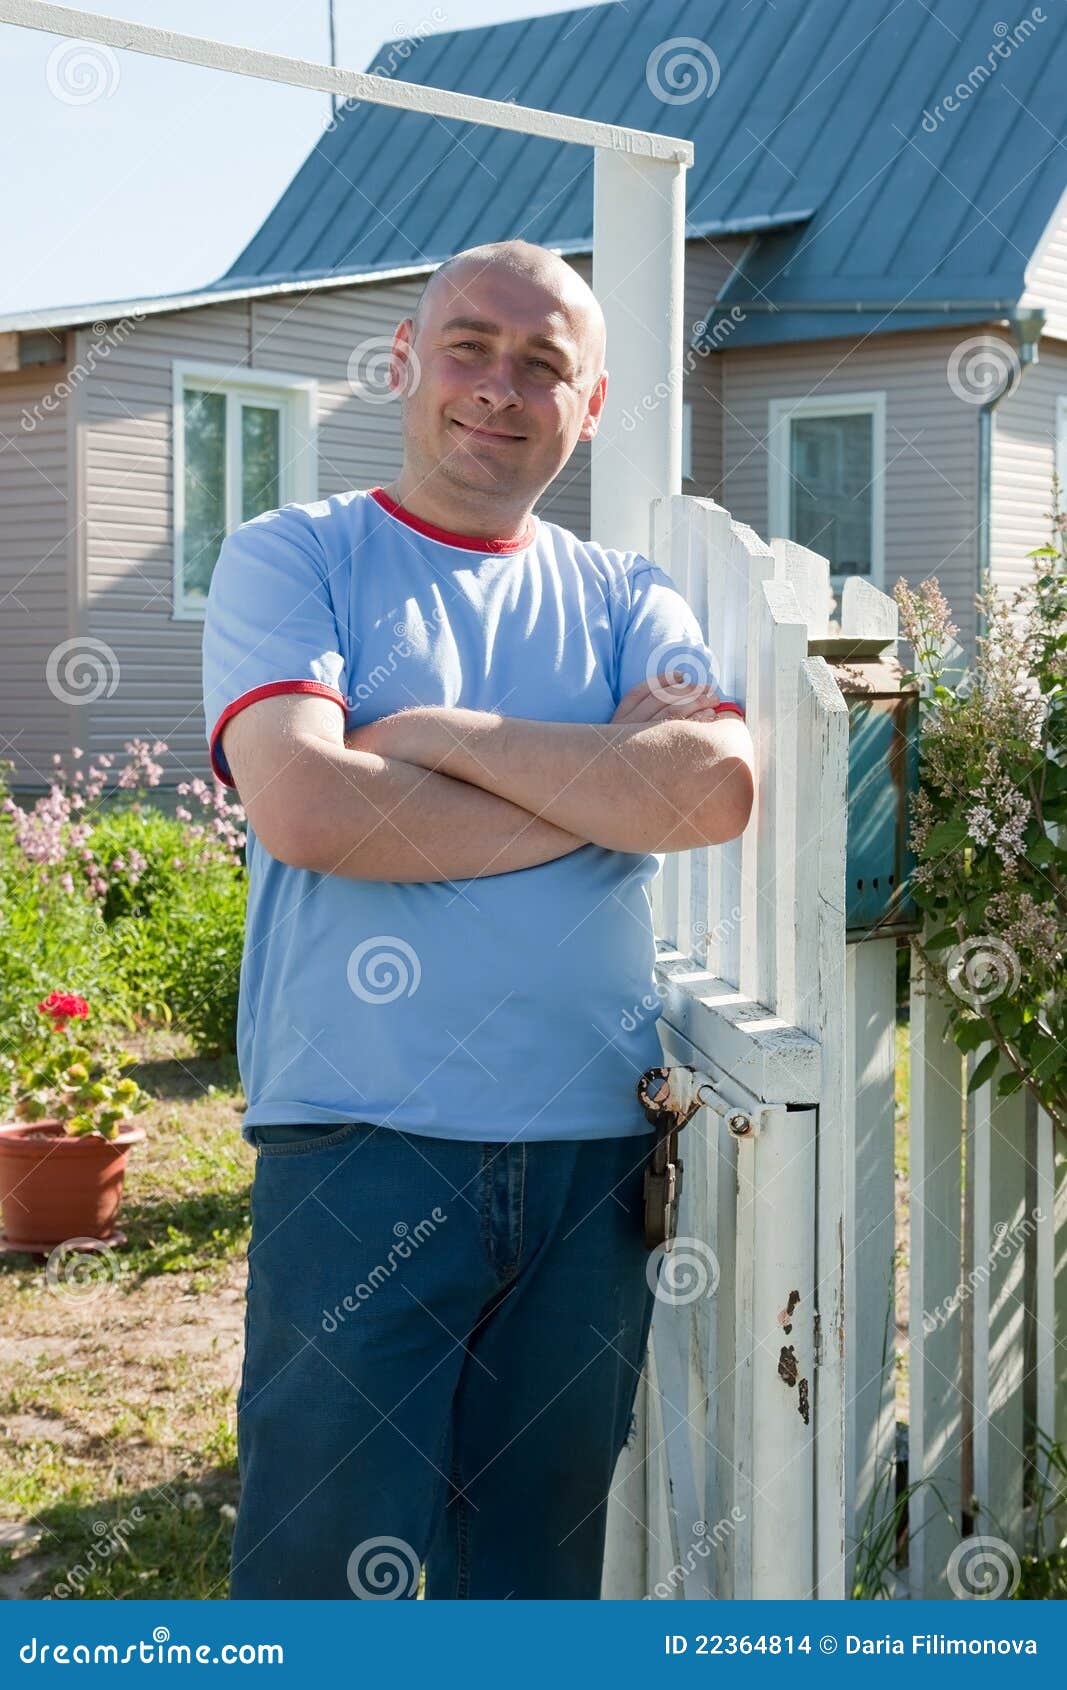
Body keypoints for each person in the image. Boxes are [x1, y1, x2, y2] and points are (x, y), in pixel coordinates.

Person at [201, 238, 754, 1600]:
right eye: (471, 346)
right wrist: (601, 785)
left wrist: (442, 735)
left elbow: (717, 785)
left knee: (535, 1570)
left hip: (587, 1163)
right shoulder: (293, 556)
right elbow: (315, 810)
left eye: (544, 364)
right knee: (323, 1569)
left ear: (594, 403)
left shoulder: (627, 593)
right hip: (359, 1148)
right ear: (405, 360)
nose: (501, 387)